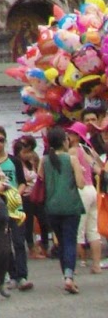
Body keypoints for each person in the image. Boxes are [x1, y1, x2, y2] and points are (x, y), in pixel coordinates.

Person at [0, 125, 31, 293]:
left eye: (1, 140)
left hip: (15, 206)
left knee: (19, 241)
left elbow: (22, 182)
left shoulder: (14, 161)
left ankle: (22, 276)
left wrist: (16, 193)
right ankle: (12, 275)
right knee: (4, 244)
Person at [43, 126, 84, 294]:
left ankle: (66, 275)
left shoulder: (44, 160)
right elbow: (81, 184)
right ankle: (69, 277)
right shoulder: (72, 159)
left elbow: (40, 180)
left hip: (51, 206)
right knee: (69, 241)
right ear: (63, 141)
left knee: (60, 241)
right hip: (70, 205)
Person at [67, 120, 103, 274]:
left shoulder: (73, 151)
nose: (68, 135)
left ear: (77, 136)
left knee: (77, 230)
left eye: (71, 133)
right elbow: (99, 168)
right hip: (92, 190)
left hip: (81, 190)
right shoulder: (87, 149)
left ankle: (76, 265)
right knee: (93, 230)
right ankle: (96, 265)